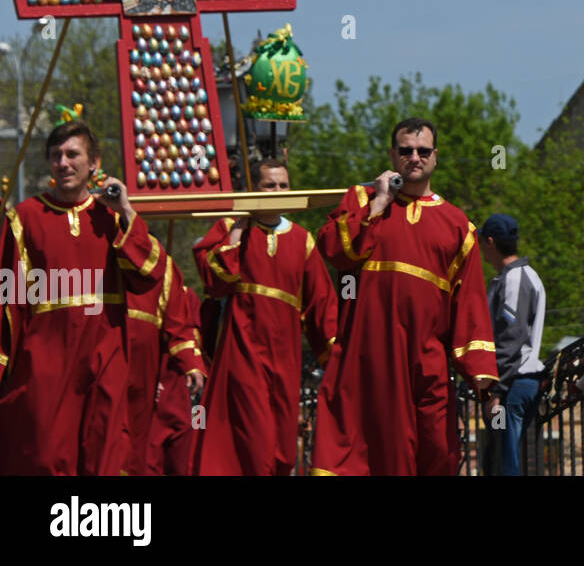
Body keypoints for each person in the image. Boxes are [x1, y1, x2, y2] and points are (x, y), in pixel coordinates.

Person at [312, 117, 498, 475]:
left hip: (424, 366)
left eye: (423, 150)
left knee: (428, 455)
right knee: (357, 454)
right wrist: (378, 206)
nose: (415, 157)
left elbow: (470, 307)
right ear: (392, 154)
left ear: (435, 156)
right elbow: (335, 251)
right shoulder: (361, 199)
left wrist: (483, 379)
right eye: (406, 150)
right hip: (365, 362)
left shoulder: (458, 225)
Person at [0, 120, 168, 474]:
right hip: (47, 361)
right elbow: (9, 303)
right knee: (45, 455)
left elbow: (149, 273)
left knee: (105, 455)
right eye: (56, 156)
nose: (63, 163)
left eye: (72, 154)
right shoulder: (25, 218)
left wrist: (126, 211)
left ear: (93, 162)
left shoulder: (110, 217)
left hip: (105, 357)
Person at [191, 157, 337, 475]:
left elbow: (322, 308)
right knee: (252, 440)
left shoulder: (302, 241)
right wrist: (236, 232)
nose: (278, 191)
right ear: (253, 190)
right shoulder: (230, 230)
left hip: (285, 358)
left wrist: (338, 362)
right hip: (242, 354)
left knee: (282, 445)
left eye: (283, 185)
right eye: (269, 186)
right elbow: (215, 282)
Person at [123, 254, 206, 475]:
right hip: (154, 388)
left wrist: (194, 366)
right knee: (146, 459)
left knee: (185, 456)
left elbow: (188, 335)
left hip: (186, 394)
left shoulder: (188, 297)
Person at [480, 213, 546, 476]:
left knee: (508, 463)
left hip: (514, 383)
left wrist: (497, 388)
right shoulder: (517, 276)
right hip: (517, 382)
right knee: (500, 460)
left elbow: (511, 336)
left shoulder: (515, 278)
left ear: (491, 242)